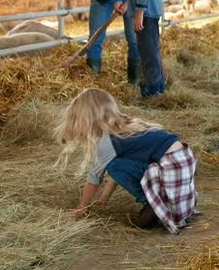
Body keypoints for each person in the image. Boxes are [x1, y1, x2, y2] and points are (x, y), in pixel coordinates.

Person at [54, 88, 197, 233]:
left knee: (114, 166)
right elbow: (123, 167)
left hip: (170, 167)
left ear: (86, 120)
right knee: (118, 164)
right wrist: (103, 199)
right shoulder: (127, 127)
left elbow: (94, 179)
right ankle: (168, 203)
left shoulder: (107, 142)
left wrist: (82, 207)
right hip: (182, 162)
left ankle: (152, 204)